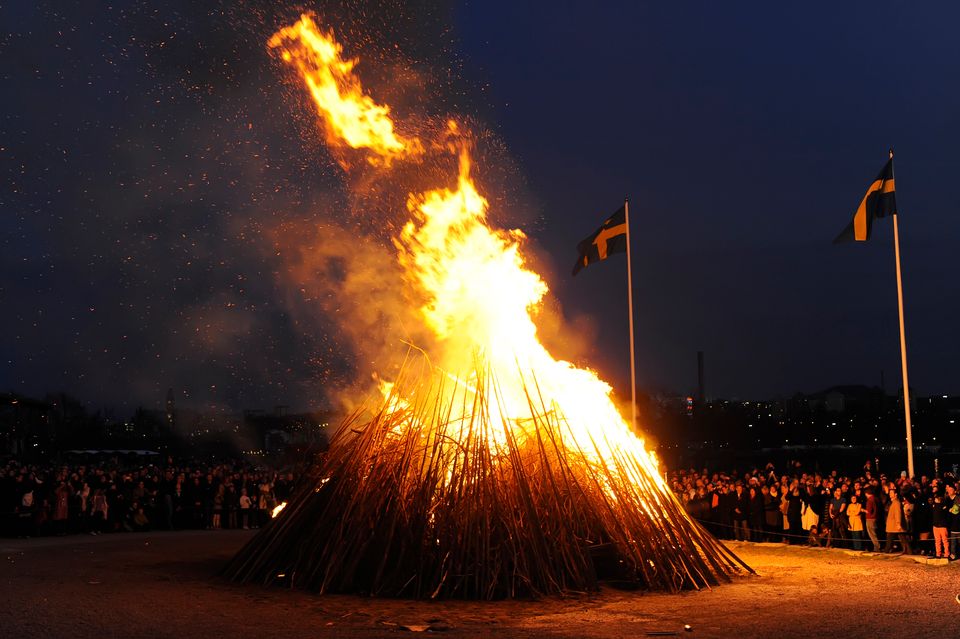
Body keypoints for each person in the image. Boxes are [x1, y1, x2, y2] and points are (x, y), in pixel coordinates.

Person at [884, 488, 912, 554]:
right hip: (893, 526)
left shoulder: (896, 503)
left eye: (891, 493)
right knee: (902, 539)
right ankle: (909, 551)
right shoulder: (894, 502)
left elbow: (897, 513)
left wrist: (898, 523)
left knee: (892, 540)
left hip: (894, 525)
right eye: (890, 493)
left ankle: (886, 551)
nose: (890, 494)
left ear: (895, 494)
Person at [931, 490, 950, 559]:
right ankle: (938, 553)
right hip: (936, 526)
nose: (935, 499)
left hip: (942, 526)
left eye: (936, 498)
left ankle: (946, 553)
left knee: (944, 541)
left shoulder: (943, 506)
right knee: (938, 541)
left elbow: (945, 514)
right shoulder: (935, 506)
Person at [864, 487, 881, 552]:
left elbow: (869, 511)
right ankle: (876, 547)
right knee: (874, 533)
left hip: (870, 518)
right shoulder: (876, 499)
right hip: (875, 518)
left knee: (872, 533)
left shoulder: (870, 500)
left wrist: (862, 510)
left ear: (867, 493)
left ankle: (877, 547)